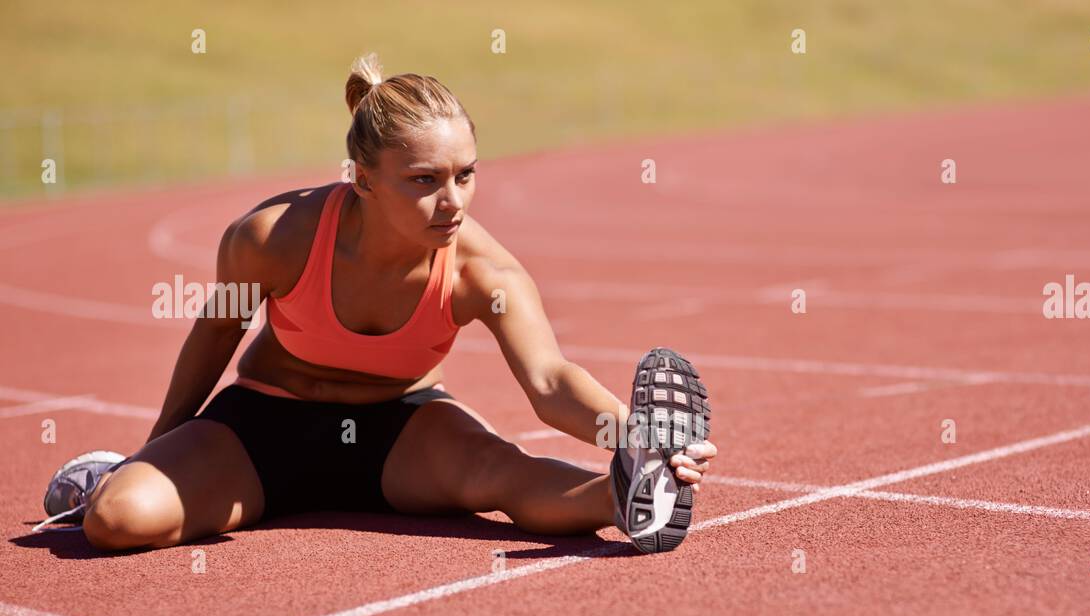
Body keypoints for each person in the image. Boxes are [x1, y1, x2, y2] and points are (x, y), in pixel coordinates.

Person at [40, 54, 716, 555]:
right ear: (363, 180)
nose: (452, 200)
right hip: (263, 430)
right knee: (118, 521)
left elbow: (548, 381)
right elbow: (213, 340)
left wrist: (631, 433)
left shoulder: (483, 270)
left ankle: (628, 494)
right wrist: (153, 450)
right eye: (424, 180)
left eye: (466, 175)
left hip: (401, 432)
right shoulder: (272, 239)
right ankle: (102, 476)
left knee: (506, 476)